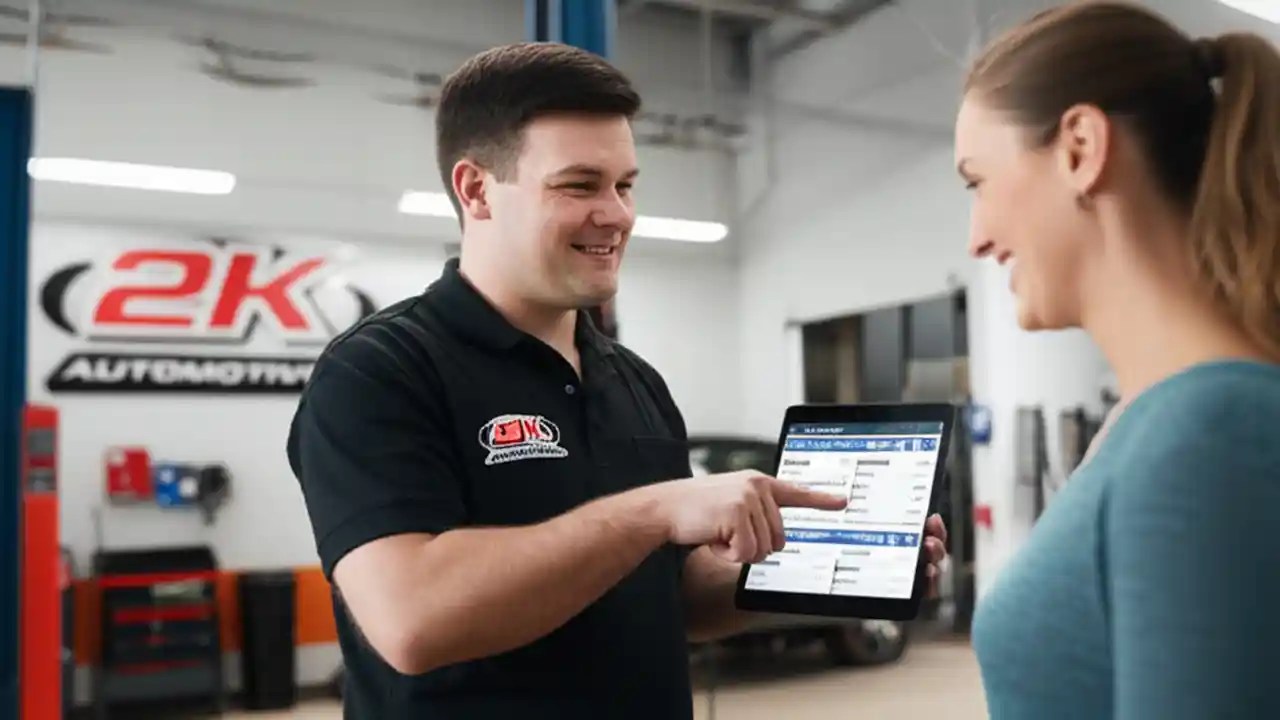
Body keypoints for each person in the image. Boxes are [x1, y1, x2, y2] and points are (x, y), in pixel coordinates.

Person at [288, 42, 948, 719]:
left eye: (624, 185)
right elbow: (412, 619)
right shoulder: (378, 371)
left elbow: (676, 598)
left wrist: (821, 568)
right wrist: (654, 512)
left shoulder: (635, 382)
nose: (618, 214)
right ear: (477, 190)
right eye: (579, 186)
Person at [955, 2, 1280, 718]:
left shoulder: (1209, 432)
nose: (976, 238)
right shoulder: (1155, 422)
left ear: (1080, 148)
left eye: (977, 182)